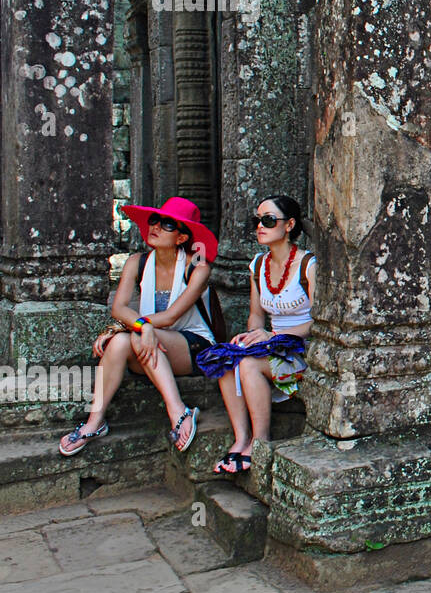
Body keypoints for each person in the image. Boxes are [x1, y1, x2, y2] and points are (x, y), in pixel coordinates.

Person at [58, 197, 219, 456]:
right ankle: (94, 422)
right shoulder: (137, 262)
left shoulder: (197, 267)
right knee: (122, 342)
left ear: (181, 237)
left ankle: (178, 410)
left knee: (129, 337)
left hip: (193, 345)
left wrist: (136, 326)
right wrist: (137, 329)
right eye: (154, 220)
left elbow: (169, 317)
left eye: (167, 224)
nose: (154, 226)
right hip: (147, 341)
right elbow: (119, 308)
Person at [198, 195, 314, 475]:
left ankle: (259, 441)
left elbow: (320, 322)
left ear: (289, 225)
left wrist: (272, 339)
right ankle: (240, 439)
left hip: (304, 348)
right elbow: (256, 316)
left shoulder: (308, 265)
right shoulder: (258, 266)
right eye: (257, 221)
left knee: (248, 364)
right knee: (226, 359)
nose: (260, 226)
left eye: (268, 220)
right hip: (272, 345)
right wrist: (251, 337)